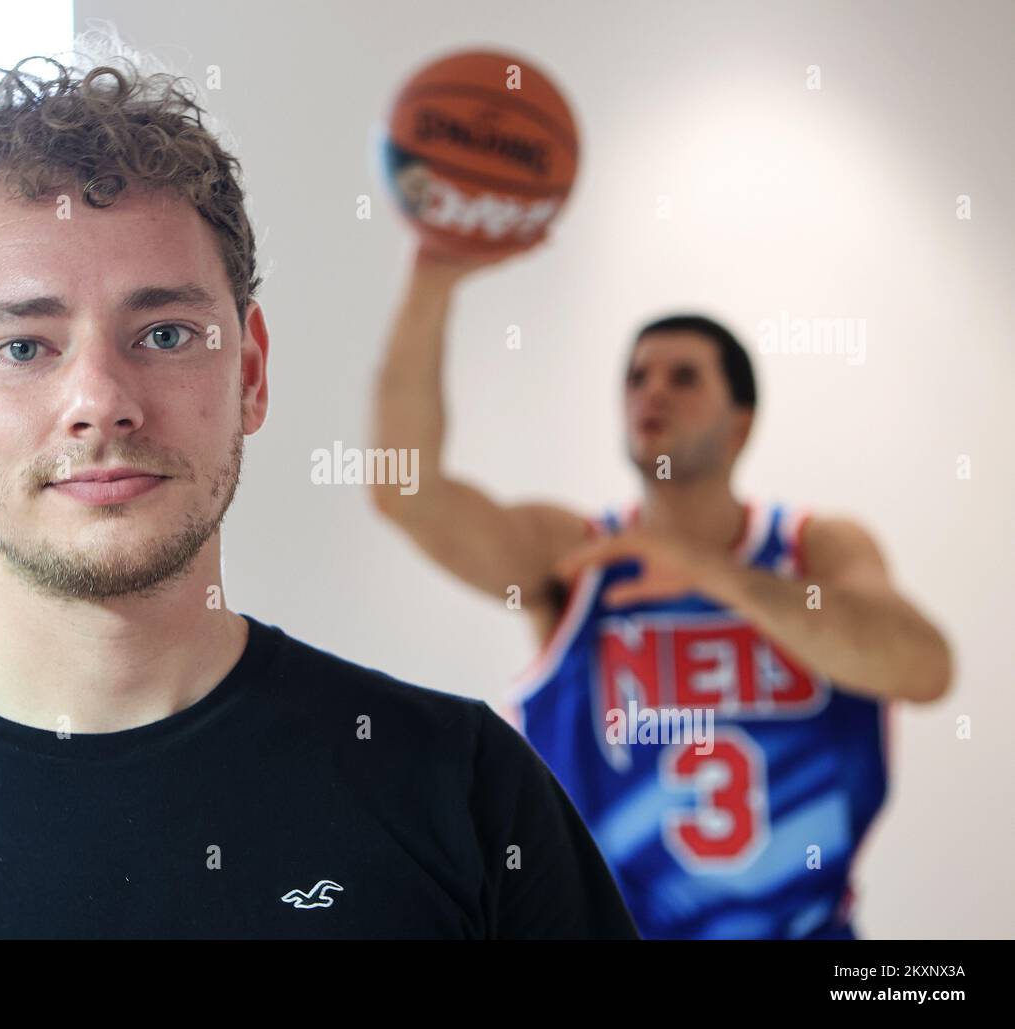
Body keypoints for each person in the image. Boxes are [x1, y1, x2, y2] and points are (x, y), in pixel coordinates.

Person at [0, 46, 637, 941]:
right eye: (23, 347)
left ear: (251, 370)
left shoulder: (467, 794)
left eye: (163, 335)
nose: (101, 404)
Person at [370, 241, 954, 939]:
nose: (652, 390)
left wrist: (712, 571)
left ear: (740, 421)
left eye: (684, 376)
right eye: (637, 375)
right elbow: (407, 493)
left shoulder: (815, 549)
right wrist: (434, 275)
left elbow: (923, 666)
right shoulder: (580, 556)